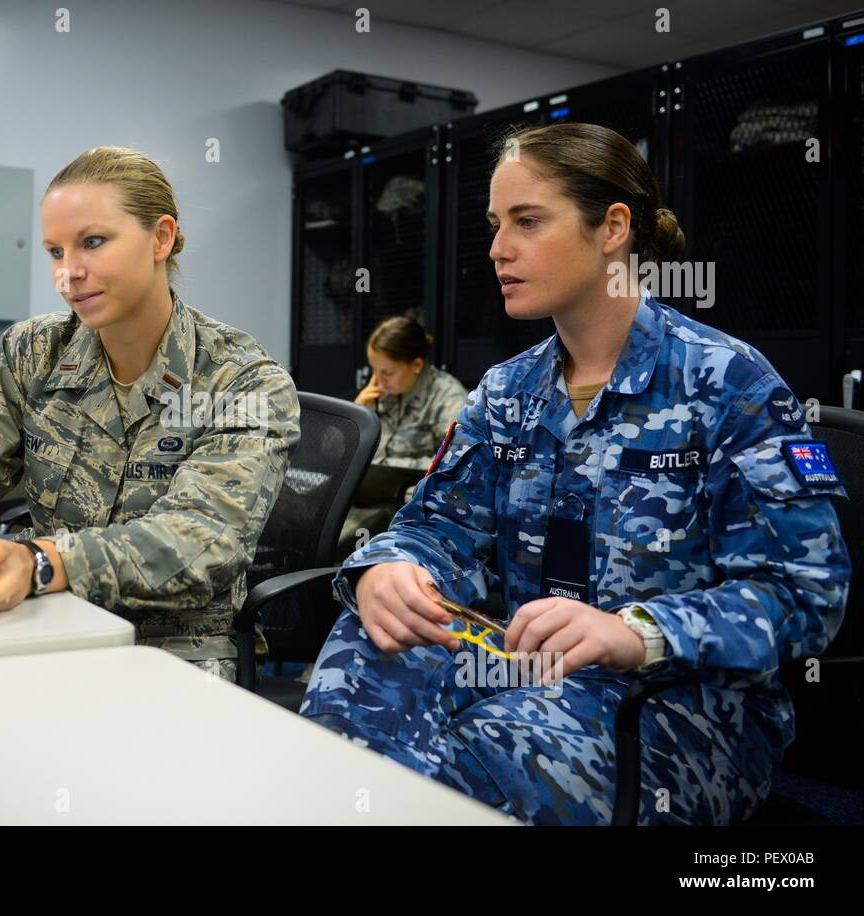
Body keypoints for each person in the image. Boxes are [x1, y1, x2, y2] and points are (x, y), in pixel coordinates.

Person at [301, 122, 850, 825]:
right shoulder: (507, 391)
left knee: (487, 754)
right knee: (363, 657)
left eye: (528, 221)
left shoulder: (727, 382)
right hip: (519, 662)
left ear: (613, 227)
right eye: (496, 224)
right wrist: (391, 569)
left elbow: (807, 595)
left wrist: (638, 630)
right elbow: (438, 526)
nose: (499, 248)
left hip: (678, 706)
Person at [0, 146, 301, 681]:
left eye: (92, 242)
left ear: (160, 238)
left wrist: (47, 562)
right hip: (47, 619)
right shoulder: (34, 352)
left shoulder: (241, 381)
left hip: (174, 652)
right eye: (55, 252)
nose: (69, 274)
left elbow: (202, 541)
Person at [341, 317, 467, 550]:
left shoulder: (447, 398)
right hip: (364, 497)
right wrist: (359, 412)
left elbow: (455, 465)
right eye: (374, 370)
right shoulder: (378, 393)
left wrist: (392, 469)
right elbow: (338, 450)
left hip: (406, 502)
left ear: (416, 365)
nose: (378, 379)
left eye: (387, 372)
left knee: (339, 547)